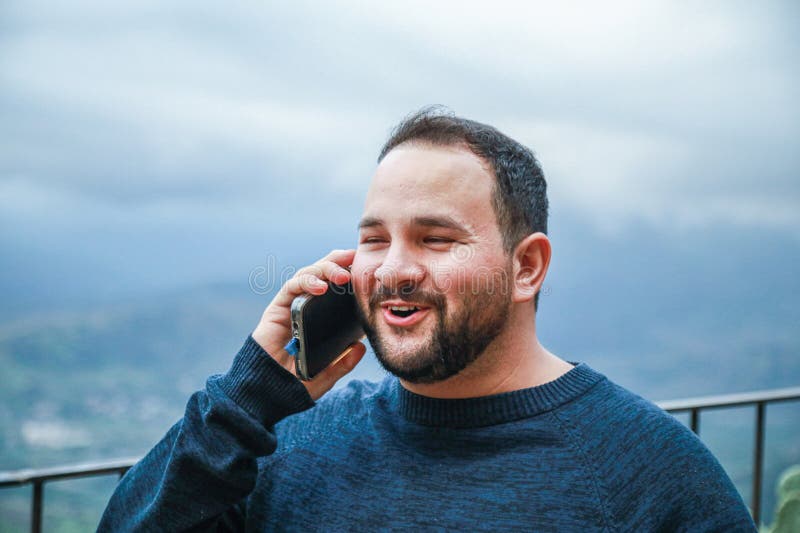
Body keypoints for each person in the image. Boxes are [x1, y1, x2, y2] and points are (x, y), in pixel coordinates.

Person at [99, 108, 756, 531]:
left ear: (527, 267)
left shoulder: (650, 476)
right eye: (375, 238)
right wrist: (247, 397)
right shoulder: (290, 445)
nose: (393, 270)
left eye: (436, 238)